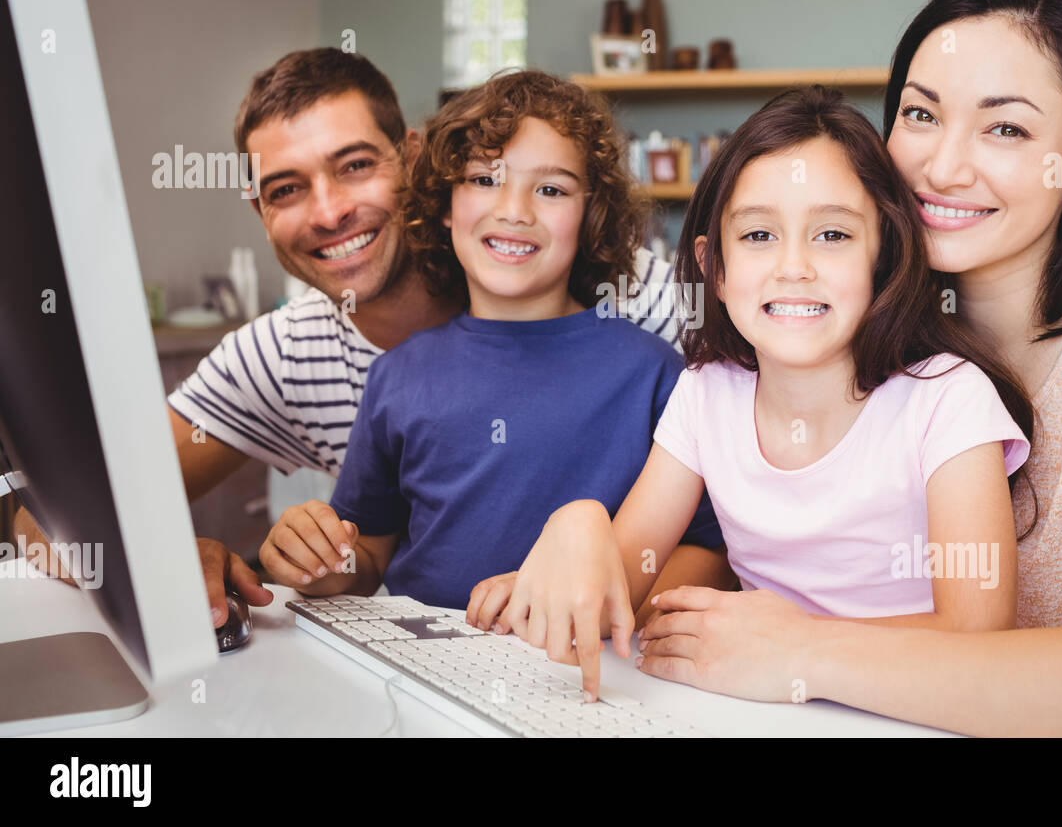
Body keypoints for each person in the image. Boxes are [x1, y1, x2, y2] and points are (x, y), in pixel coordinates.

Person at [634, 0, 1062, 736]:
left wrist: (811, 652)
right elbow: (740, 520)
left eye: (1006, 127)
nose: (942, 167)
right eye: (920, 114)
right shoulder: (837, 336)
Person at [12, 48, 692, 626]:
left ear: (416, 161)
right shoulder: (276, 359)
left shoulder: (640, 304)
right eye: (285, 189)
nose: (330, 210)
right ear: (260, 211)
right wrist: (159, 554)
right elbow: (65, 508)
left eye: (355, 165)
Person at [470, 85, 1037, 700]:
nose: (794, 266)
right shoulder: (706, 394)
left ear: (885, 256)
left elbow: (981, 632)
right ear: (714, 268)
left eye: (833, 235)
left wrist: (792, 648)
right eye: (759, 236)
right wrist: (573, 542)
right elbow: (628, 578)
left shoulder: (948, 399)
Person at [255, 69, 728, 616]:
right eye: (484, 179)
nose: (514, 210)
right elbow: (369, 557)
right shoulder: (398, 375)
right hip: (423, 670)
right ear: (445, 203)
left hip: (588, 672)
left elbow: (709, 552)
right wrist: (316, 557)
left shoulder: (652, 374)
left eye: (550, 189)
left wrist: (593, 608)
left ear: (590, 215)